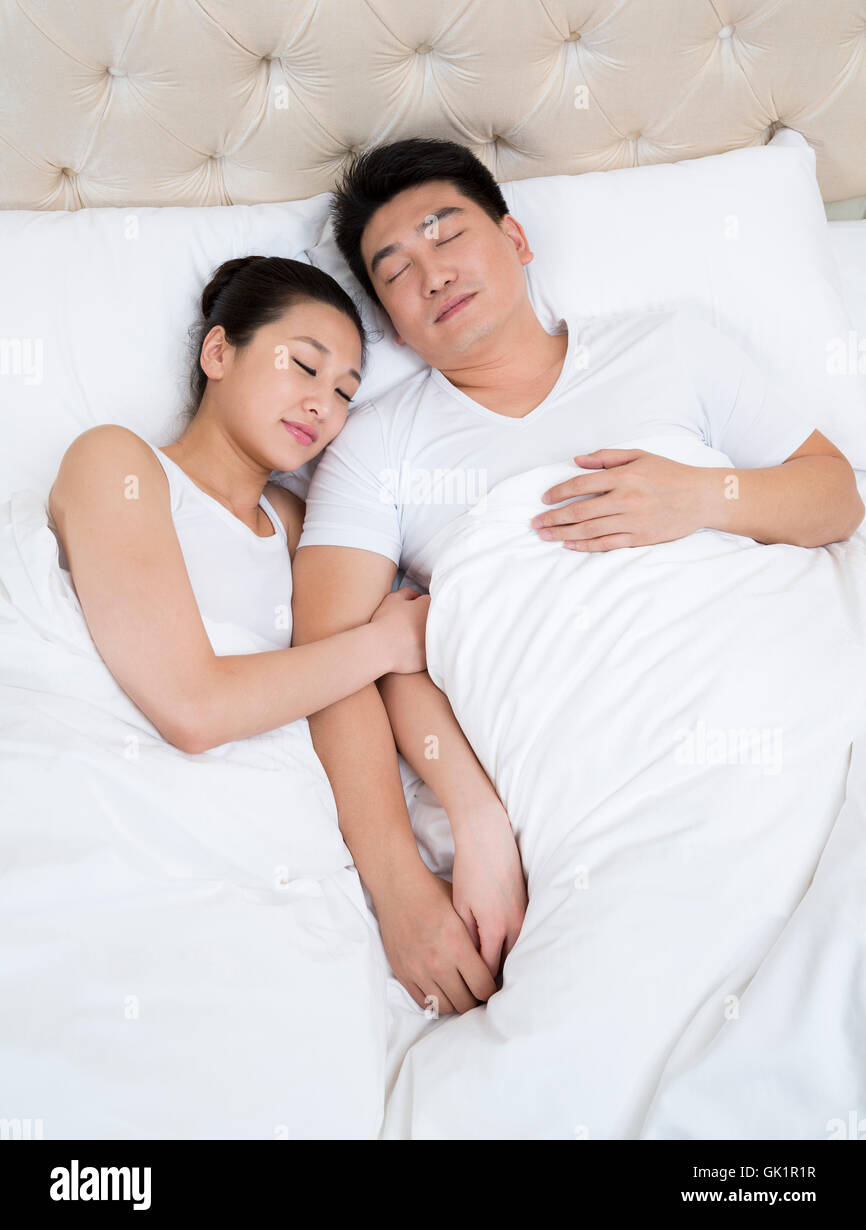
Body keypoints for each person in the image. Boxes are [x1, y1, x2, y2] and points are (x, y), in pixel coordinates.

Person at [290, 136, 865, 1018]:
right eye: (397, 270)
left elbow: (835, 498)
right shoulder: (378, 449)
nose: (432, 274)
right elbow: (333, 668)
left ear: (518, 239)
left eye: (447, 234)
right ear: (394, 325)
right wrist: (422, 869)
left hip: (794, 705)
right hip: (605, 776)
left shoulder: (674, 344)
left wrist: (699, 495)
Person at [47, 255, 431, 756]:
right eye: (304, 366)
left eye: (344, 393)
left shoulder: (297, 525)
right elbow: (193, 709)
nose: (323, 405)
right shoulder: (118, 465)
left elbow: (357, 692)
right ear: (218, 354)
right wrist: (385, 644)